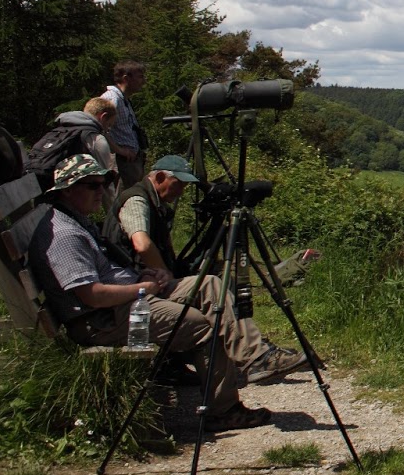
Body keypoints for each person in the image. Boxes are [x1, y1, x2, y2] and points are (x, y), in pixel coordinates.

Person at [26, 154, 271, 431]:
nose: (102, 192)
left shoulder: (76, 220)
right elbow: (92, 296)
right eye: (93, 186)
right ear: (68, 191)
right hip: (104, 319)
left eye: (104, 184)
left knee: (210, 285)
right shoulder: (65, 235)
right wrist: (143, 288)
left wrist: (143, 275)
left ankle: (255, 357)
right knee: (202, 325)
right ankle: (223, 411)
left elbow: (107, 272)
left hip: (126, 299)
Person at [106, 153, 310, 386]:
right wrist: (166, 274)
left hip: (141, 279)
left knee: (218, 281)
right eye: (178, 183)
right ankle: (257, 356)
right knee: (212, 287)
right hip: (136, 285)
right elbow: (141, 244)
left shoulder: (154, 201)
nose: (181, 191)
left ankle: (252, 350)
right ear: (160, 176)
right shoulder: (137, 200)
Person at [103, 61, 147, 188]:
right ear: (126, 78)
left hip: (131, 163)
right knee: (121, 203)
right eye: (139, 77)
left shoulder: (124, 99)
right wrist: (120, 151)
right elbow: (100, 129)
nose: (143, 81)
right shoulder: (112, 99)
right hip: (122, 163)